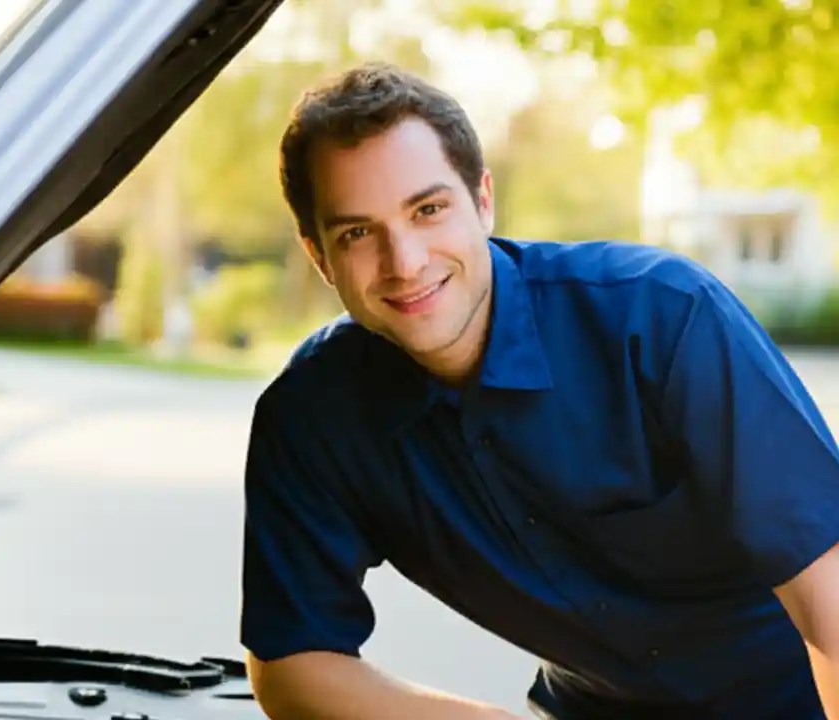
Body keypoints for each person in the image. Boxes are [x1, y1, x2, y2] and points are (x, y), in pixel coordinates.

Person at [238, 61, 839, 719]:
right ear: (319, 255)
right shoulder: (311, 416)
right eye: (357, 232)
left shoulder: (661, 317)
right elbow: (292, 665)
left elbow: (830, 596)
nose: (405, 262)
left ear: (483, 201)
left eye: (429, 210)